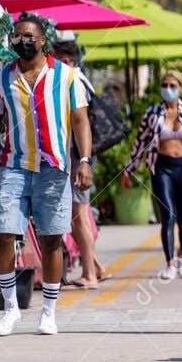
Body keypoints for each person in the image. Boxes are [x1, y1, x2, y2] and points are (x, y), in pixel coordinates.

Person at [0, 13, 93, 338]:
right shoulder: (1, 78)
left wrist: (85, 160)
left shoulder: (66, 76)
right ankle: (10, 309)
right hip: (14, 167)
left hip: (53, 169)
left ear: (42, 41)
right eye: (17, 37)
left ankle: (48, 312)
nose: (22, 42)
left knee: (52, 240)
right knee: (5, 235)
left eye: (28, 37)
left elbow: (80, 120)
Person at [123, 68, 182, 280]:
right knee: (168, 216)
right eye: (164, 86)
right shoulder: (152, 113)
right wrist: (129, 170)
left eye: (172, 86)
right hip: (161, 168)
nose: (168, 89)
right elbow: (140, 142)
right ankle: (169, 263)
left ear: (181, 89)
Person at [52, 38, 105, 289]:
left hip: (77, 157)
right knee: (76, 216)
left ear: (64, 60)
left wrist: (82, 161)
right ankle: (94, 267)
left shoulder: (73, 81)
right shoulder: (80, 79)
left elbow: (78, 122)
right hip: (80, 155)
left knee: (79, 216)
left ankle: (89, 275)